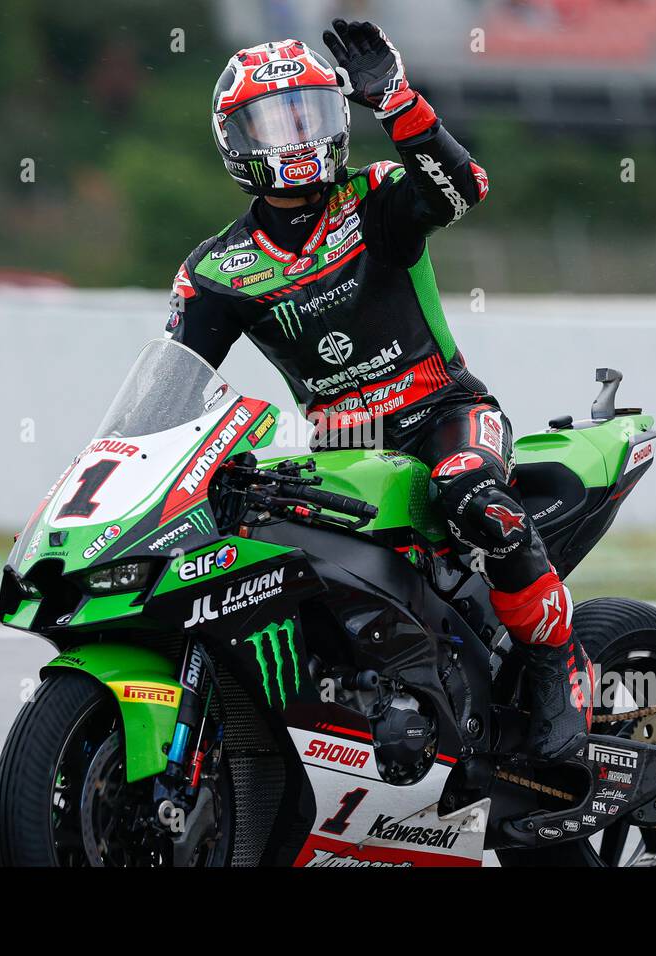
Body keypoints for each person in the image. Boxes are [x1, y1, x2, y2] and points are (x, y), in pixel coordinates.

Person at [165, 19, 592, 758]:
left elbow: (465, 189)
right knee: (268, 550)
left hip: (446, 414)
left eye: (311, 115)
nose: (297, 138)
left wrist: (396, 101)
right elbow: (173, 387)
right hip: (340, 450)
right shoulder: (216, 270)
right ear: (237, 141)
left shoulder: (379, 198)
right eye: (276, 121)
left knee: (469, 493)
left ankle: (561, 668)